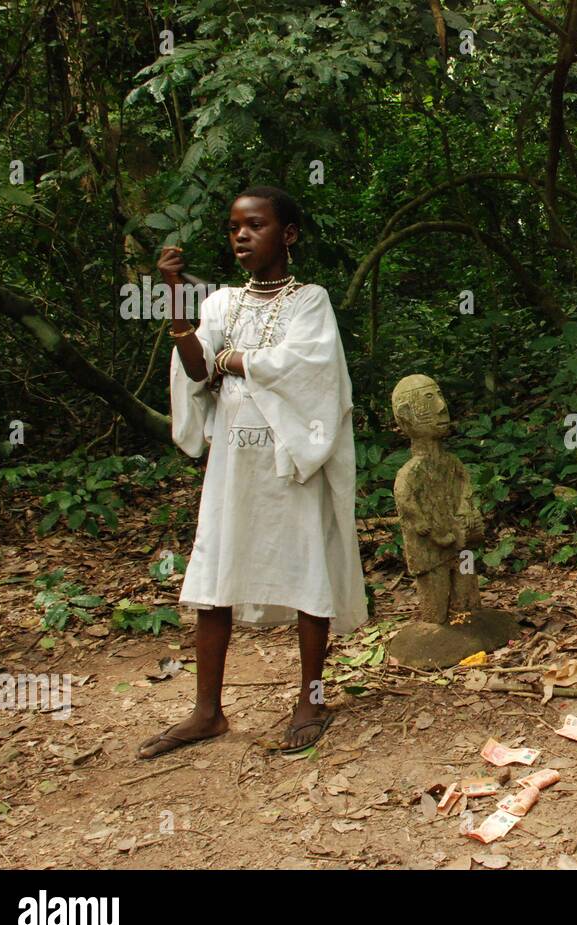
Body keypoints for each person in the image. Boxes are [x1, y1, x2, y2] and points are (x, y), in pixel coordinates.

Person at [137, 185, 367, 758]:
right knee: (216, 571)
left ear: (287, 235)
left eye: (255, 225)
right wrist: (176, 301)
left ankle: (310, 700)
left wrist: (233, 360)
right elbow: (197, 372)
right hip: (234, 461)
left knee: (308, 567)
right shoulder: (219, 304)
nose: (241, 236)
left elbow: (309, 368)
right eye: (234, 227)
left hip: (293, 458)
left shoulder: (310, 300)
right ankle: (207, 712)